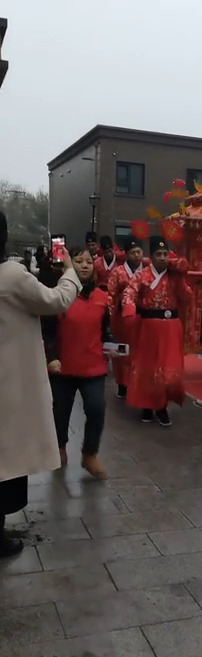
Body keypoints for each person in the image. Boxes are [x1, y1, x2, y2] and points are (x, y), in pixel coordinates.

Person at [0, 211, 80, 557]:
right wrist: (70, 274)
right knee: (7, 460)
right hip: (10, 383)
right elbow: (54, 301)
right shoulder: (11, 276)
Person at [42, 246, 116, 480]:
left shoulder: (102, 297)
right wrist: (52, 356)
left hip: (93, 366)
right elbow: (49, 331)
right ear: (68, 265)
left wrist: (111, 346)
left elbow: (105, 330)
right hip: (62, 367)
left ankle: (90, 454)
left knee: (96, 409)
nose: (84, 265)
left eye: (88, 261)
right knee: (59, 411)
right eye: (78, 261)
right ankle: (60, 448)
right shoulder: (59, 294)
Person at [122, 235, 193, 426]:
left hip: (170, 327)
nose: (162, 258)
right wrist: (128, 310)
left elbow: (186, 297)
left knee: (169, 371)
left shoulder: (173, 275)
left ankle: (162, 405)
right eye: (158, 254)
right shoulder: (142, 275)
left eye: (165, 254)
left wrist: (179, 278)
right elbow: (129, 292)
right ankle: (147, 405)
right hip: (148, 327)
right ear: (151, 257)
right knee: (147, 367)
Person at [108, 237, 146, 398]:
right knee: (122, 351)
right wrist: (108, 318)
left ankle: (137, 383)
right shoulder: (118, 272)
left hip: (143, 317)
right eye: (133, 253)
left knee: (140, 352)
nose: (136, 255)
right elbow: (110, 294)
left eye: (139, 252)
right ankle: (122, 382)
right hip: (122, 318)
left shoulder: (148, 271)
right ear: (127, 254)